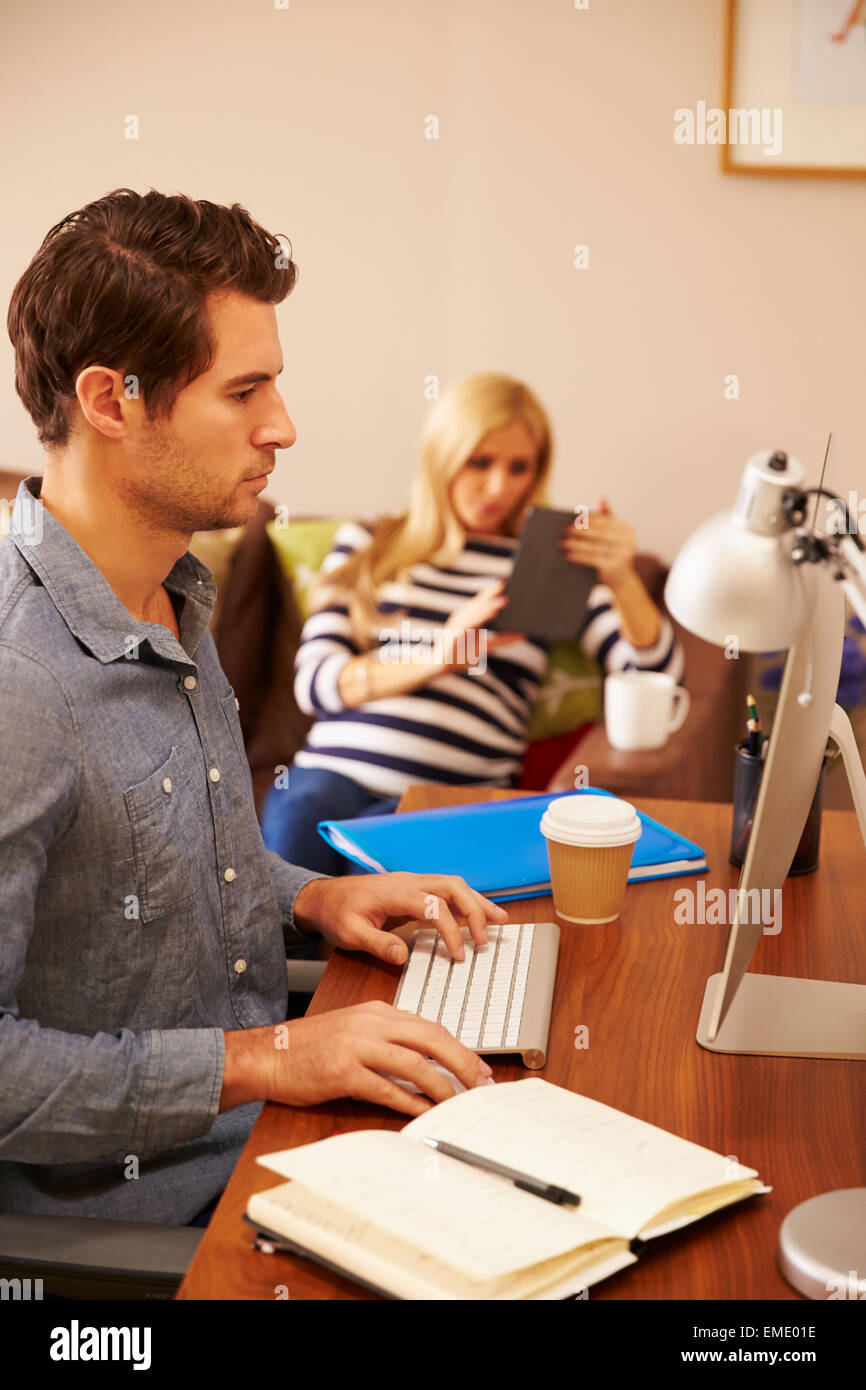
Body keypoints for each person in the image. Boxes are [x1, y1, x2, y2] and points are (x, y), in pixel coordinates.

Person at [0, 189, 506, 1228]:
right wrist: (275, 1052)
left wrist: (311, 897)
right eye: (245, 391)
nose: (282, 426)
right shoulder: (22, 685)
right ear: (112, 400)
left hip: (270, 1132)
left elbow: (142, 858)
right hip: (153, 1218)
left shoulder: (177, 591)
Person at [261, 373, 685, 874]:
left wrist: (622, 581)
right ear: (443, 458)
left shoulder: (546, 565)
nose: (499, 487)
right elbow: (315, 684)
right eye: (480, 462)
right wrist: (436, 658)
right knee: (290, 850)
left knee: (382, 890)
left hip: (452, 796)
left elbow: (656, 676)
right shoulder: (372, 542)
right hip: (331, 775)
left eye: (519, 467)